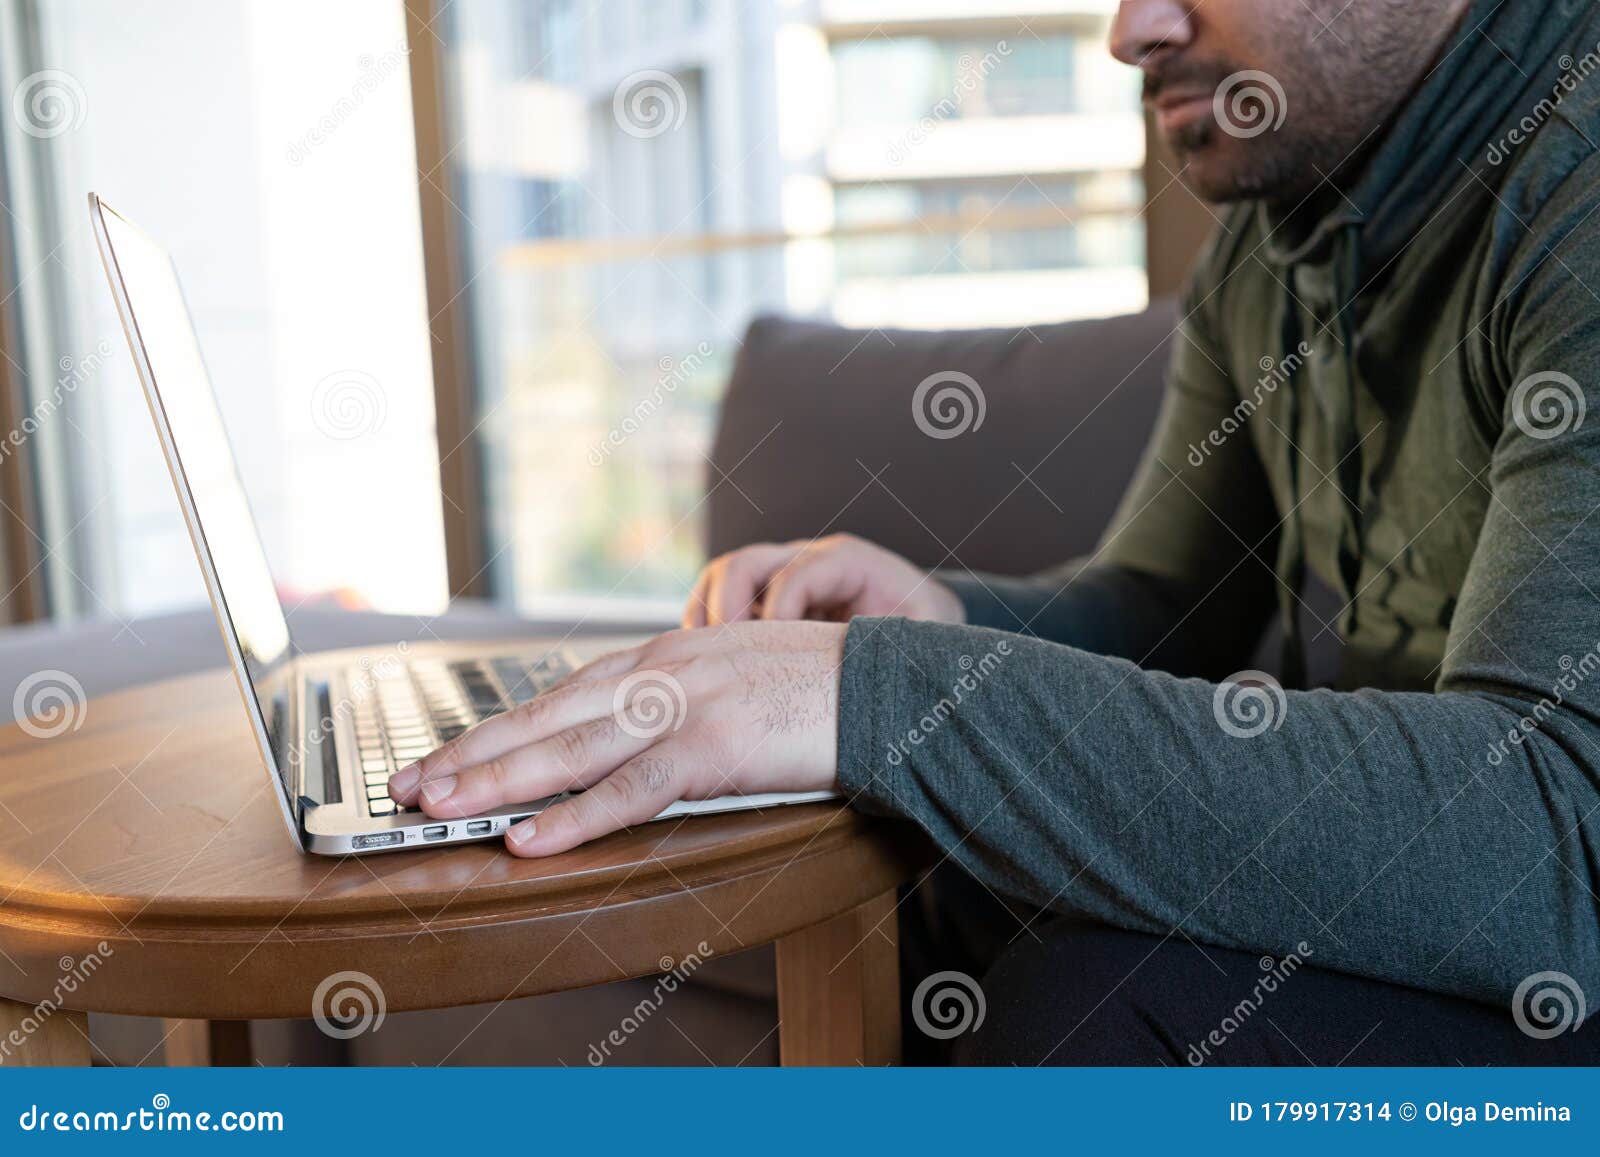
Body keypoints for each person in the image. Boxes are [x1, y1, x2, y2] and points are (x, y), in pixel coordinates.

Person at [390, 0, 1600, 1064]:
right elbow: (1155, 603)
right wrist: (943, 616)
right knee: (934, 874)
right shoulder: (1269, 241)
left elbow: (1546, 834)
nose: (1130, 30)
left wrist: (880, 695)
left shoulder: (1572, 192)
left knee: (1105, 1002)